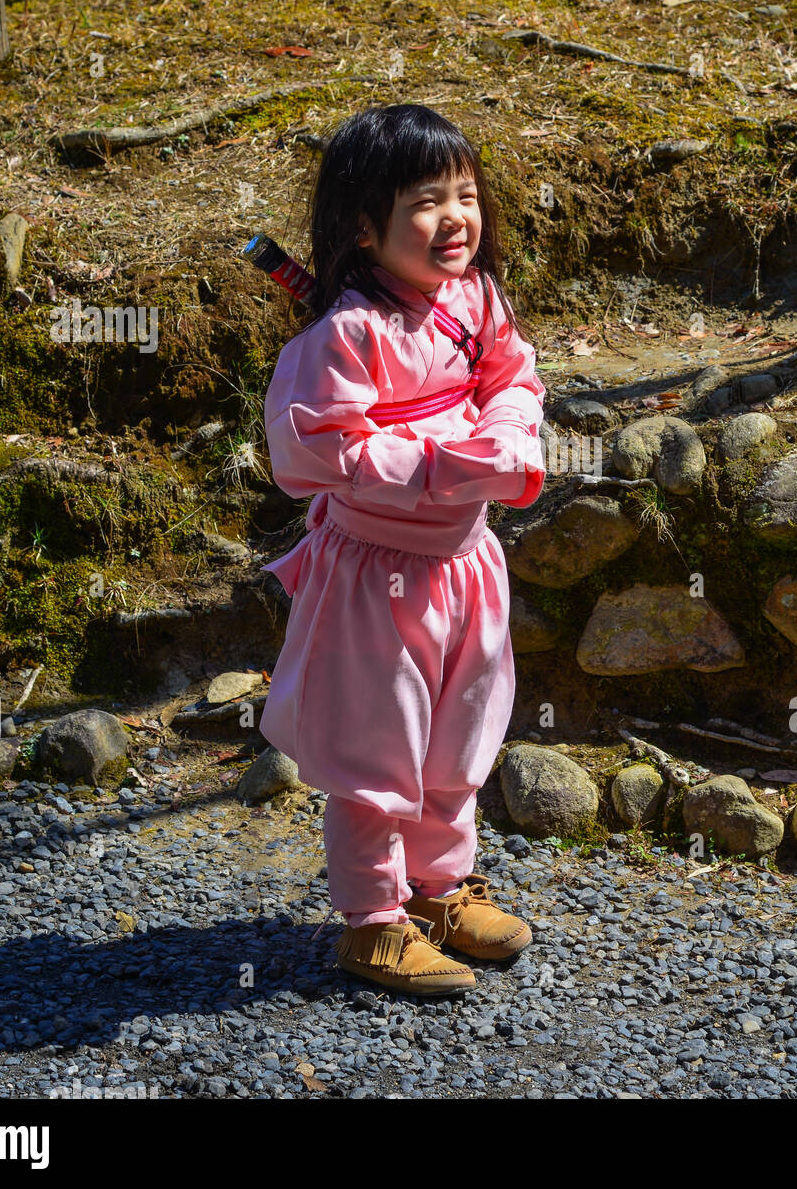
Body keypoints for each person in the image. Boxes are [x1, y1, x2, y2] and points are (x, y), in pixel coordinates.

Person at [259, 103, 546, 997]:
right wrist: (449, 461)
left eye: (466, 193)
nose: (456, 217)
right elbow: (322, 453)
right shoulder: (345, 334)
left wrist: (507, 437)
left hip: (465, 565)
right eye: (427, 201)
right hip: (376, 579)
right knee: (380, 751)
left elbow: (515, 378)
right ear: (363, 226)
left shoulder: (476, 301)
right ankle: (374, 920)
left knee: (458, 734)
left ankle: (439, 888)